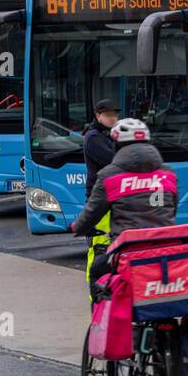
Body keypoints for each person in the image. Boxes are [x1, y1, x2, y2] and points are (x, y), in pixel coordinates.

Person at [72, 118, 178, 287]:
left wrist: (77, 227)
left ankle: (103, 311)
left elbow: (92, 213)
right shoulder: (168, 174)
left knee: (96, 273)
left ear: (116, 145)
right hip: (165, 251)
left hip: (128, 251)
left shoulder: (109, 176)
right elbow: (172, 209)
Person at [80, 99, 119, 279]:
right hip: (99, 200)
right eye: (108, 115)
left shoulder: (109, 134)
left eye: (115, 114)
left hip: (112, 198)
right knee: (99, 249)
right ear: (98, 116)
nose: (113, 118)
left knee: (113, 247)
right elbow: (114, 161)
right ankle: (94, 290)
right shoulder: (94, 137)